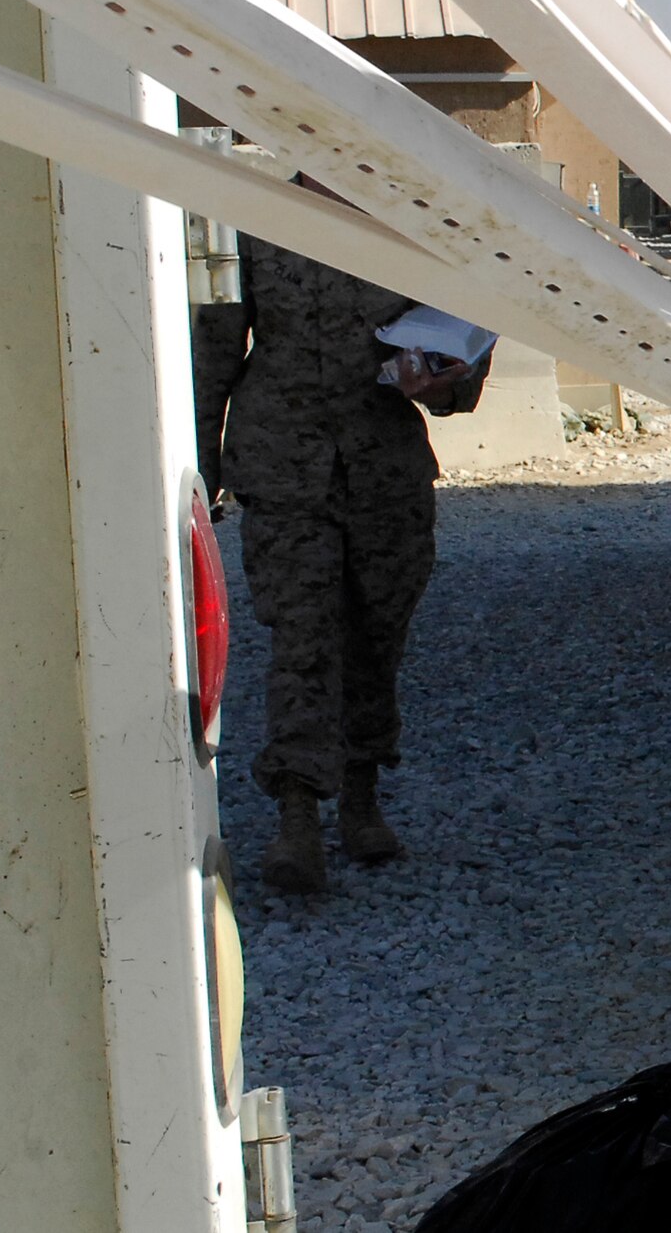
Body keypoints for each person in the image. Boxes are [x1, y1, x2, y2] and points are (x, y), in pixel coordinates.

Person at [194, 176, 487, 895]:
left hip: (384, 467)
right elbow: (216, 350)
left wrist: (443, 384)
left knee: (375, 632)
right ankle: (297, 818)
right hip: (285, 467)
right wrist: (201, 470)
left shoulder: (408, 224)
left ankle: (361, 795)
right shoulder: (253, 217)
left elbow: (461, 347)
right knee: (302, 635)